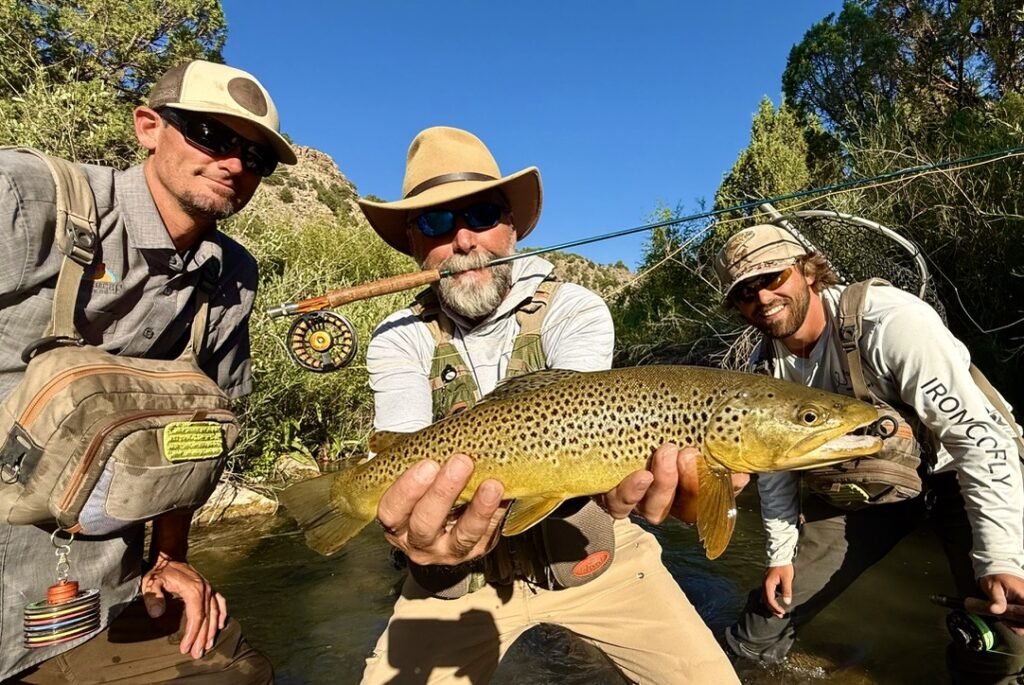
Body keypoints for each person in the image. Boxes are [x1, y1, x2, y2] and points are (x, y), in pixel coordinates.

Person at [354, 126, 740, 684]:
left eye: (483, 215)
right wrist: (408, 529)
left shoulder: (575, 309)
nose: (464, 241)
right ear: (415, 245)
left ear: (511, 228)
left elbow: (585, 426)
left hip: (591, 551)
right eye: (437, 223)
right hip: (457, 578)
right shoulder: (397, 336)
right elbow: (401, 460)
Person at [0, 59, 296, 683]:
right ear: (148, 127)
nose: (235, 164)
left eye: (257, 158)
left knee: (238, 667)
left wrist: (170, 557)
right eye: (211, 136)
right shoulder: (26, 197)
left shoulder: (231, 278)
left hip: (93, 603)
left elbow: (194, 431)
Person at [716, 223, 1024, 683]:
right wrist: (780, 555)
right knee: (765, 618)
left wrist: (1000, 558)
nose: (762, 297)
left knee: (1006, 630)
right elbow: (774, 466)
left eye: (773, 277)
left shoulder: (891, 322)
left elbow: (979, 439)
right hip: (869, 485)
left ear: (808, 271)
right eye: (745, 290)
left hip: (961, 471)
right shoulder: (766, 365)